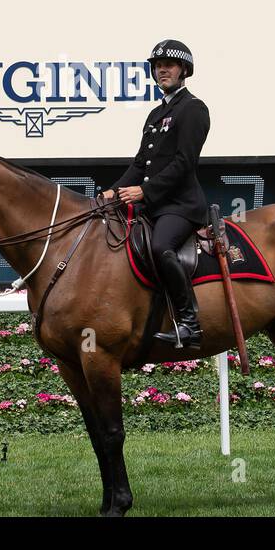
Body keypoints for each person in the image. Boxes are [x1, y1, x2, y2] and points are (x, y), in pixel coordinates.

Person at [102, 39, 210, 348]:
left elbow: (183, 163)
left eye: (169, 65)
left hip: (180, 205)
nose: (162, 70)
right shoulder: (154, 114)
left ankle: (189, 324)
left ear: (184, 70)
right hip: (154, 204)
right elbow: (141, 163)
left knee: (162, 245)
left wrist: (144, 192)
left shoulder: (193, 109)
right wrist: (113, 191)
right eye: (157, 66)